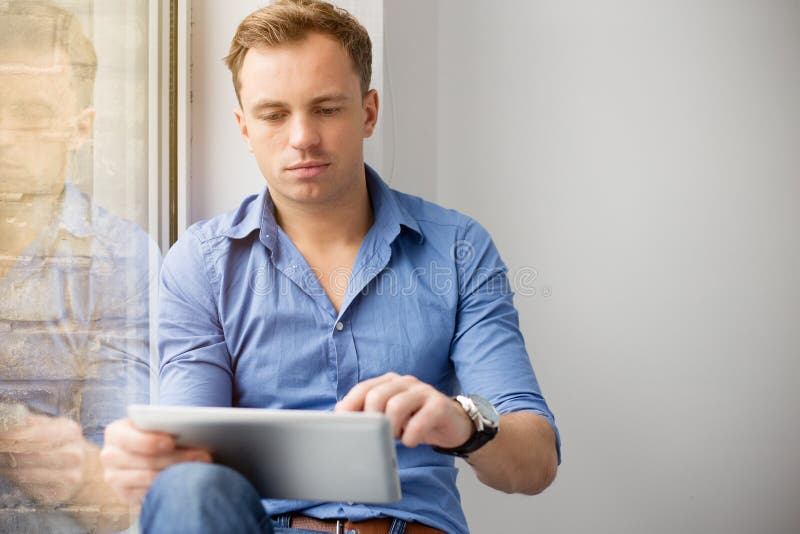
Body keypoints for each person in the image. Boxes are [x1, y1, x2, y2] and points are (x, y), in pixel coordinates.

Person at [100, 1, 561, 532]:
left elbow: (535, 465)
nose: (302, 138)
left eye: (326, 109)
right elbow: (188, 470)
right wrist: (147, 460)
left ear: (368, 113)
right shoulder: (201, 264)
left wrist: (462, 423)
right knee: (186, 487)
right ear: (245, 128)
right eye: (274, 115)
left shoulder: (459, 248)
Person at [0, 2, 152, 532]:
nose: (3, 136)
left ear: (80, 129)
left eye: (31, 113)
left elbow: (122, 503)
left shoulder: (122, 262)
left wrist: (77, 471)